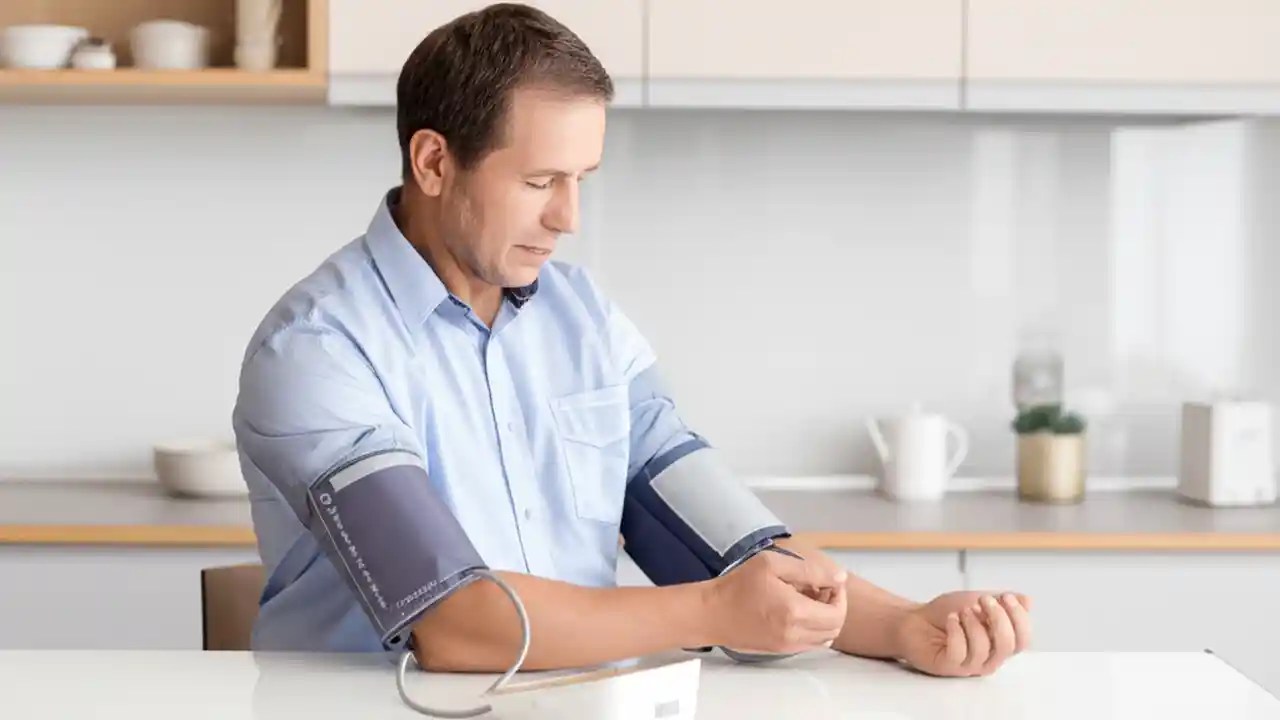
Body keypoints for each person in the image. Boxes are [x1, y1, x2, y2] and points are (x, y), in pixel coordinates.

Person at [232, 2, 1032, 679]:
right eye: (540, 181)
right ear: (435, 161)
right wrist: (717, 610)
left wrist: (901, 626)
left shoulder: (586, 321)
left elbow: (725, 547)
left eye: (582, 181)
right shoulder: (318, 349)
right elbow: (453, 622)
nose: (567, 218)